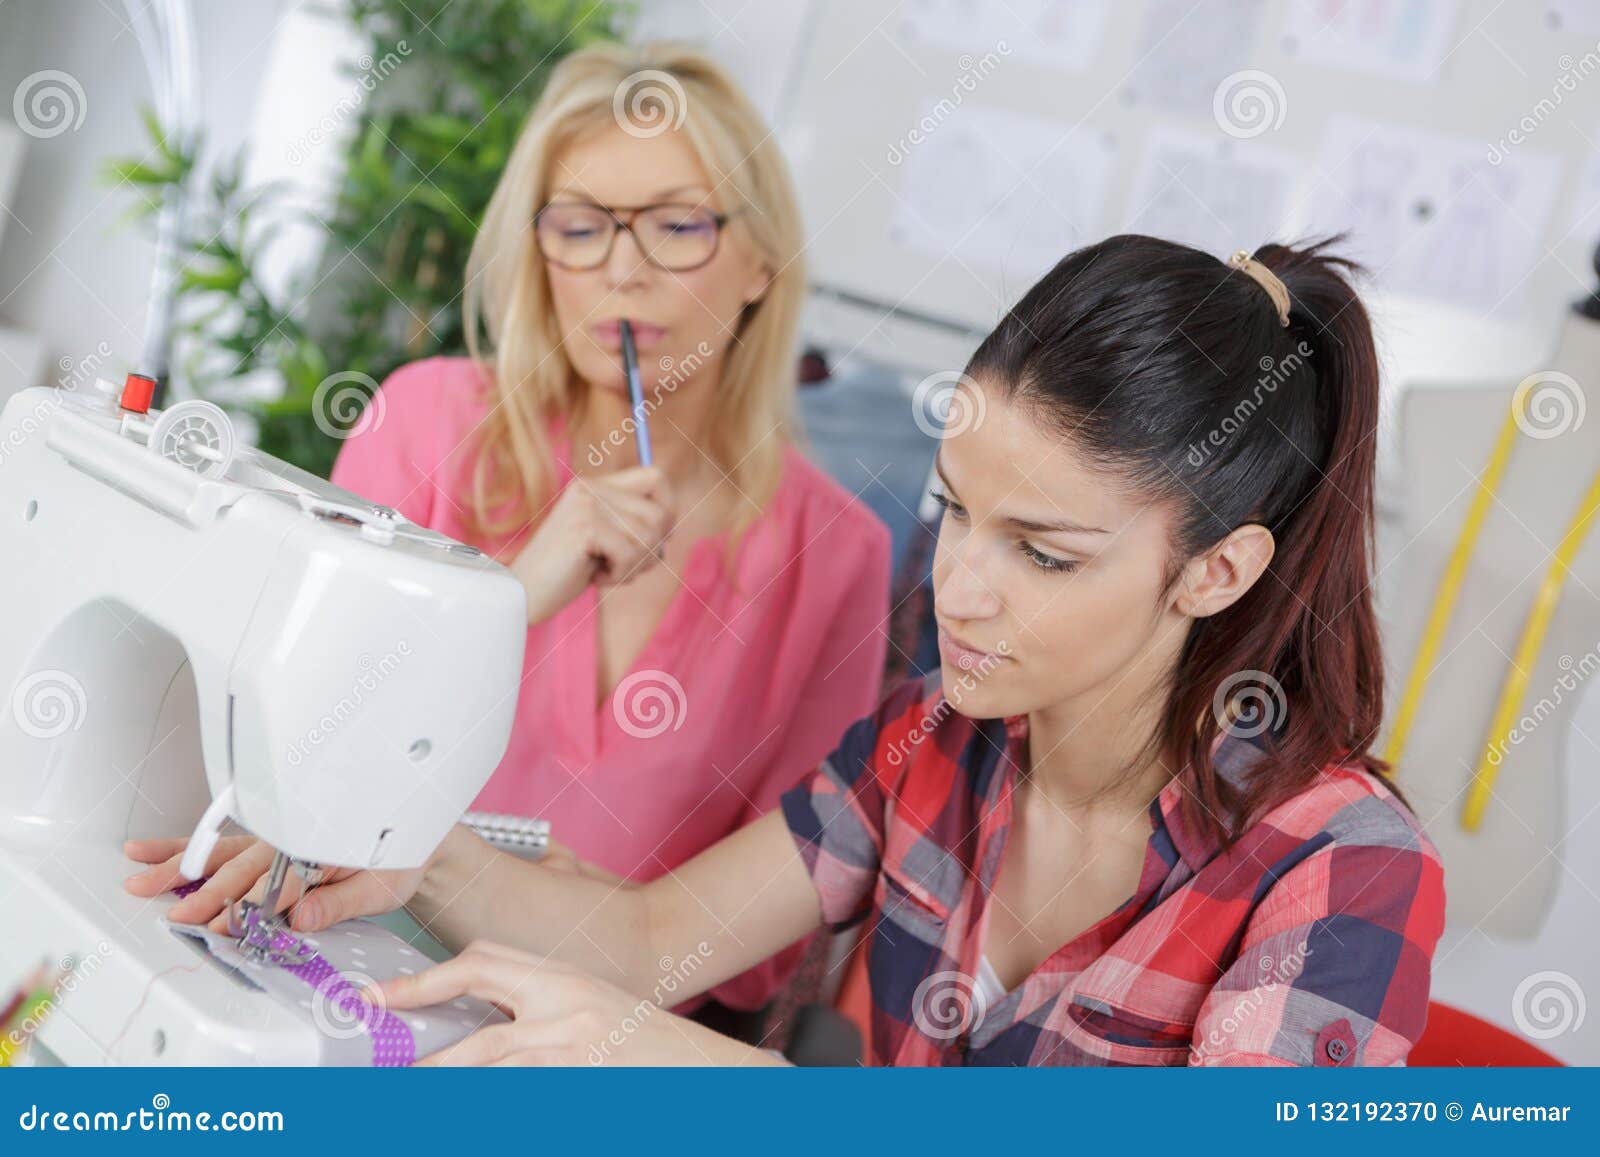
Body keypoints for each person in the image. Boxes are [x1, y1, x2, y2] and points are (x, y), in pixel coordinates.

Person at [127, 234, 1446, 1067]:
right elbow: (650, 943)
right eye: (954, 515)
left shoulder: (1341, 872)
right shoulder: (936, 740)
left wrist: (713, 1076)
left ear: (1217, 571)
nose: (961, 595)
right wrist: (407, 840)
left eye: (1043, 553)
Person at [299, 43, 891, 1021]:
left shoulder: (839, 551)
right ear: (540, 253)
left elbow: (747, 956)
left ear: (758, 262)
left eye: (675, 226)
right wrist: (515, 594)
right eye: (578, 227)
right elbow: (311, 738)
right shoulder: (424, 421)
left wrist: (526, 892)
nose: (621, 268)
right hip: (343, 984)